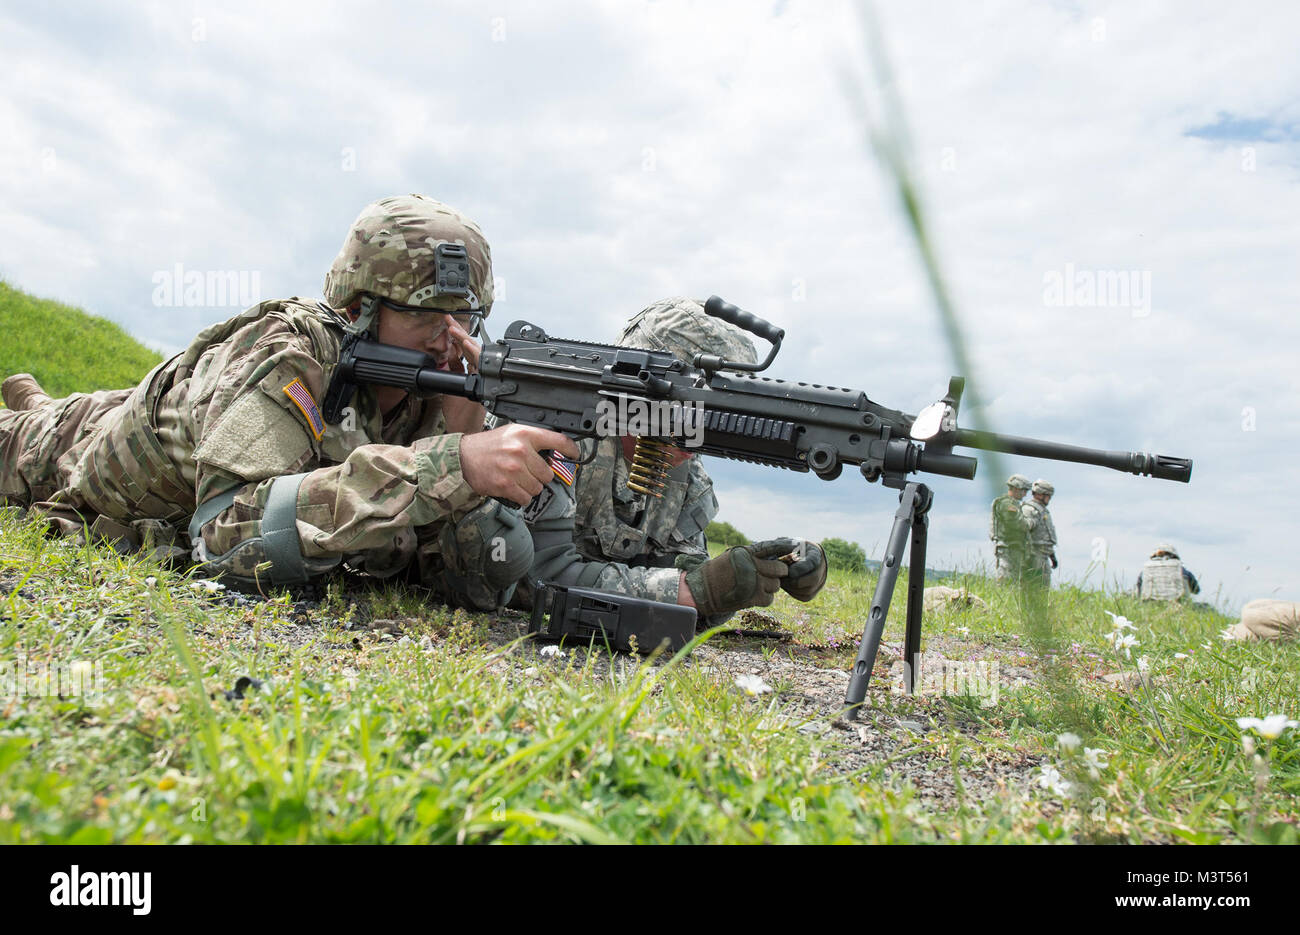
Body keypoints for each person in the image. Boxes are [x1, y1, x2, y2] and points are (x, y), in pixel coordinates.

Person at [0, 194, 578, 608]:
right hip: (76, 445)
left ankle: (31, 395)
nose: (446, 335)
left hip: (181, 420)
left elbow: (467, 584)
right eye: (422, 312)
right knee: (27, 432)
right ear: (360, 309)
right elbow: (225, 532)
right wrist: (449, 464)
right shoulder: (290, 353)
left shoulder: (437, 390)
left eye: (464, 316)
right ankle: (30, 406)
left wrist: (465, 454)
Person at [515, 296, 828, 626]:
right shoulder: (559, 434)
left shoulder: (683, 473)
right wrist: (694, 590)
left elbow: (683, 583)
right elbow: (535, 577)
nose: (700, 431)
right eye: (693, 406)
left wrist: (754, 573)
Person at [990, 473, 1030, 580]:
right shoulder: (1006, 504)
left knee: (1014, 581)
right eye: (1024, 490)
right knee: (1005, 579)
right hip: (1008, 548)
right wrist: (1030, 523)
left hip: (1014, 547)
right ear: (1016, 488)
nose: (1025, 494)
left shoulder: (1014, 504)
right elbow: (1017, 524)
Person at [1019, 478, 1057, 586]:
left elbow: (1045, 536)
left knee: (1043, 589)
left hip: (1043, 556)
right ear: (1041, 494)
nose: (1049, 499)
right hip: (1033, 556)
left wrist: (1052, 556)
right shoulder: (1029, 509)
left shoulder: (1043, 511)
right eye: (1048, 495)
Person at [1135, 543, 1199, 601]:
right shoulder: (1182, 570)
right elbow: (1196, 590)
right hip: (1178, 605)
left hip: (1149, 603)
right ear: (1174, 556)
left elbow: (1138, 591)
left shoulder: (1145, 571)